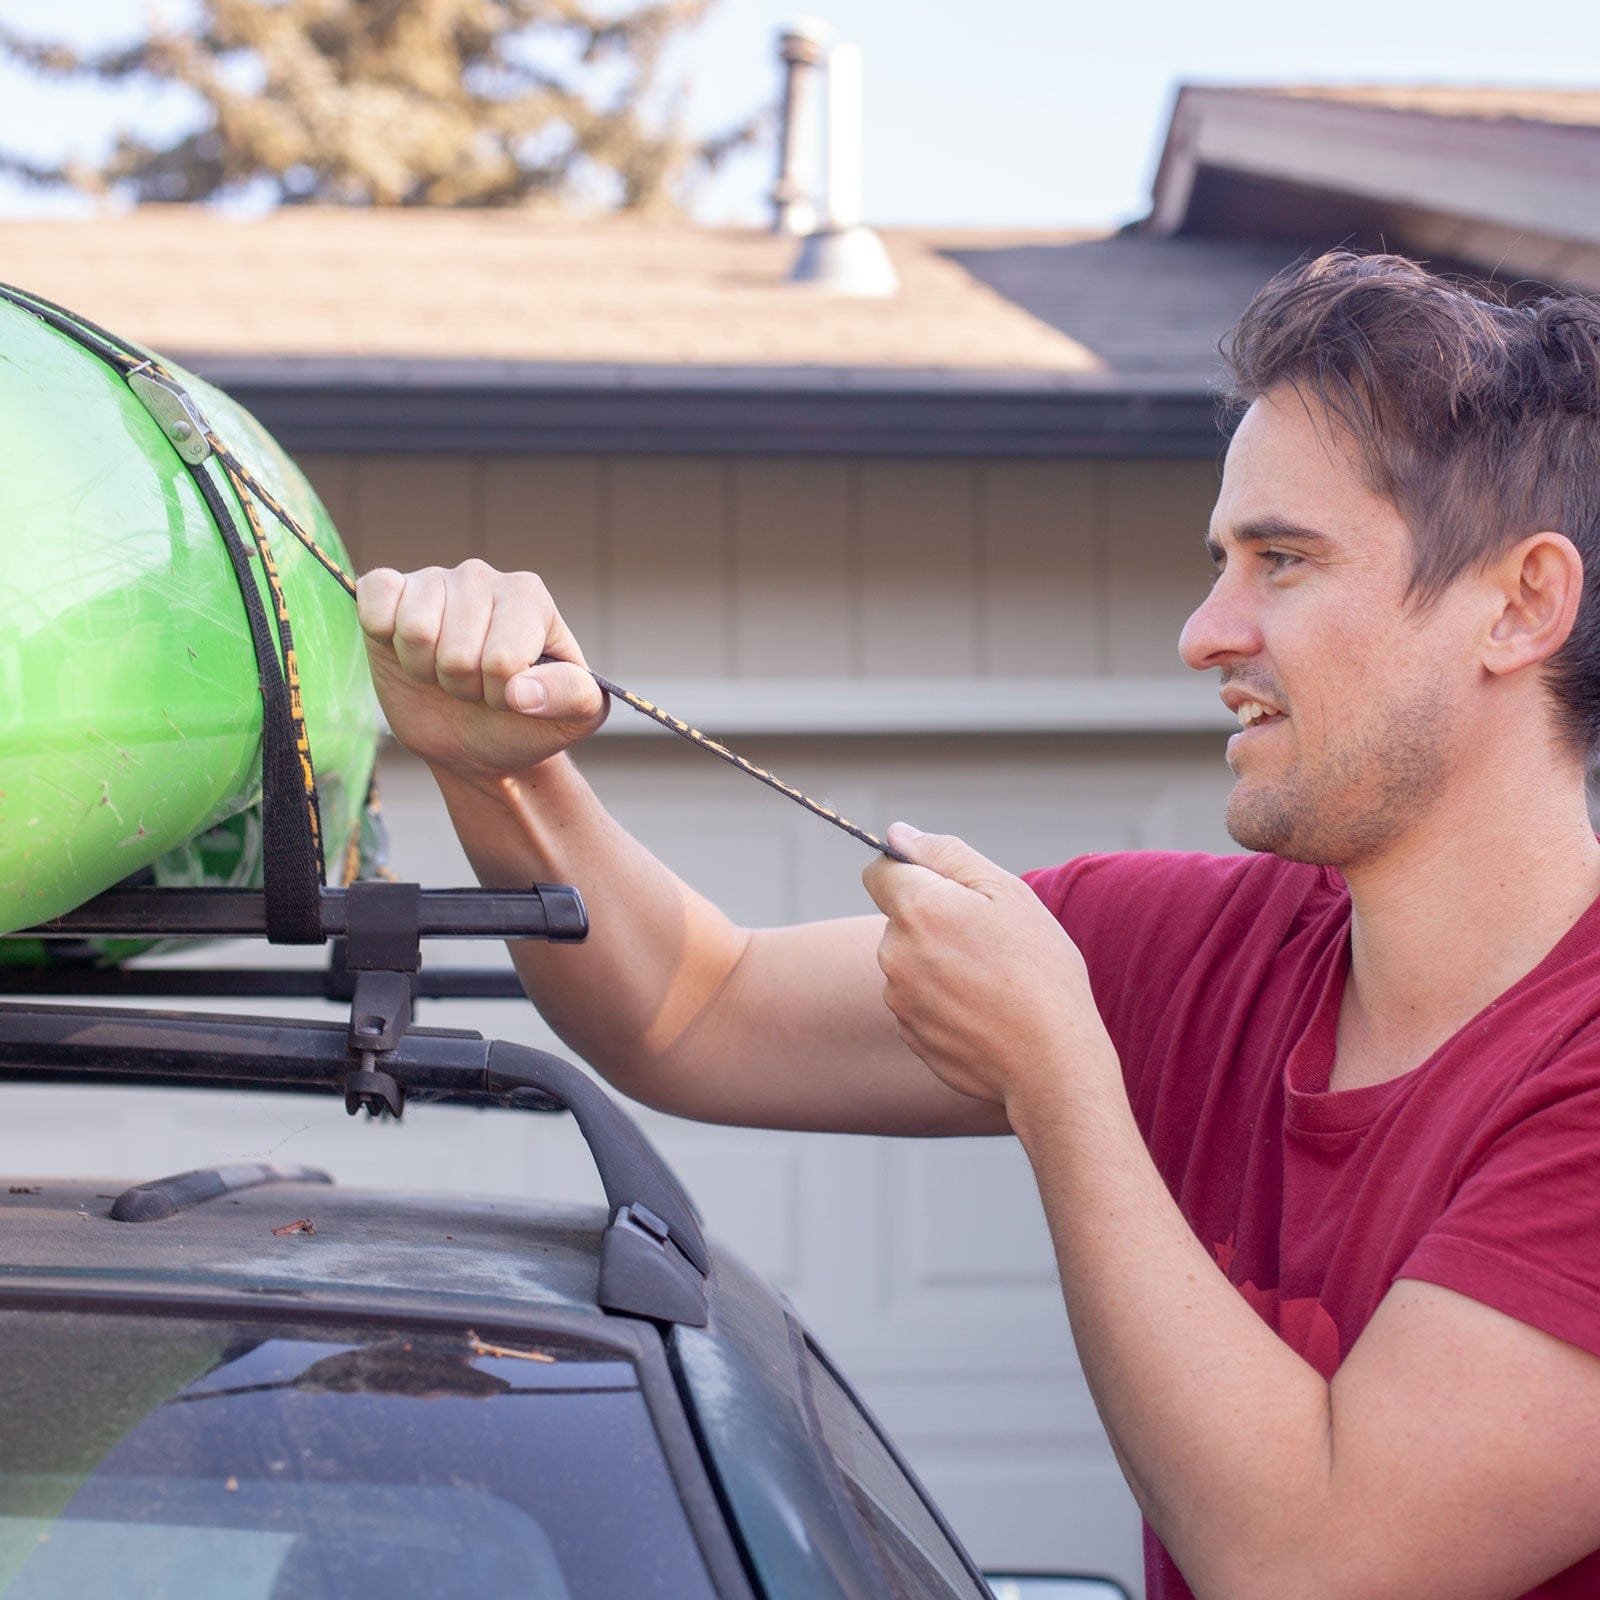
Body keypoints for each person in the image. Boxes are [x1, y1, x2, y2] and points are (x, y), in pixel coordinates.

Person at [356, 251, 1600, 1600]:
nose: (1204, 632)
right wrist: (501, 776)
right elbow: (699, 1011)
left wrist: (1059, 1080)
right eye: (1222, 564)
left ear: (1521, 604)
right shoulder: (1190, 952)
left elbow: (1318, 1566)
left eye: (1284, 561)